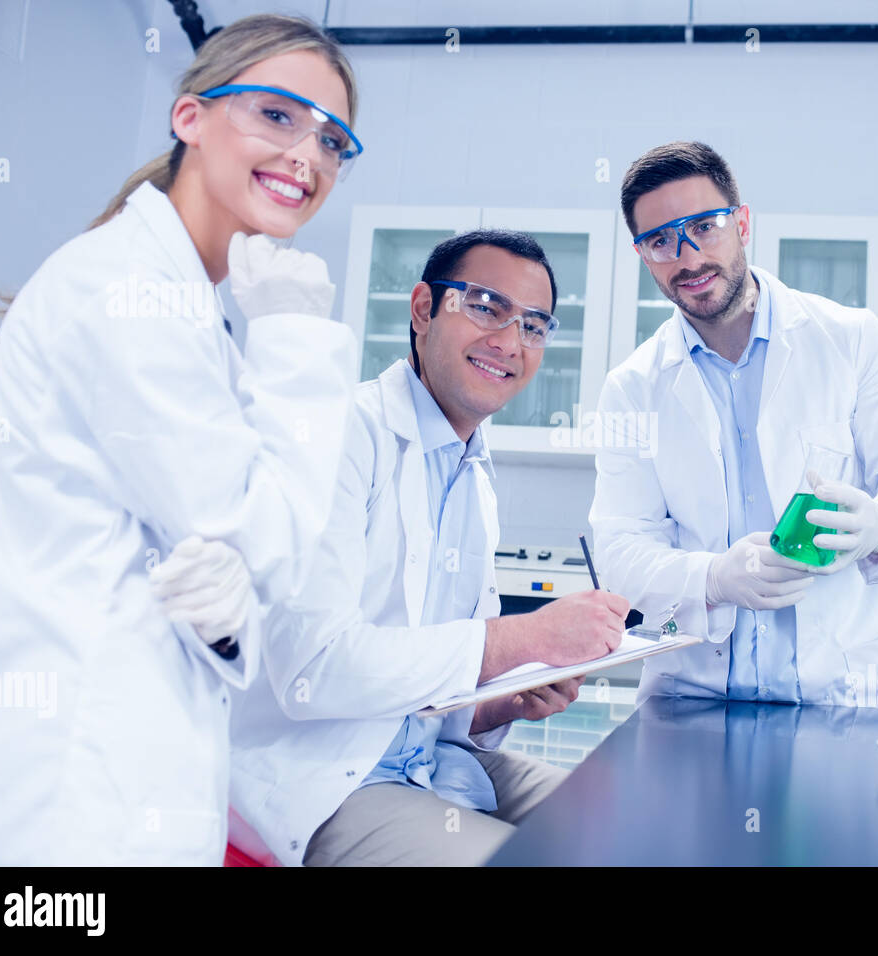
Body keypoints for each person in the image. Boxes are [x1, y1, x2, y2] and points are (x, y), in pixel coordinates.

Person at [0, 14, 363, 864]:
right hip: (69, 796)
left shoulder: (185, 304)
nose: (308, 156)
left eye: (333, 139)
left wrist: (232, 605)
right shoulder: (129, 294)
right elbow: (266, 543)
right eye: (279, 115)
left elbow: (227, 573)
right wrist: (296, 350)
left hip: (129, 773)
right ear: (190, 117)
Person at [227, 230, 631, 867]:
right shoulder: (343, 435)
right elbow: (316, 668)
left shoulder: (474, 472)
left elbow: (437, 687)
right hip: (332, 777)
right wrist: (525, 641)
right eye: (485, 307)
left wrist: (503, 697)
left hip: (440, 760)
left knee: (634, 832)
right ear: (422, 309)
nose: (509, 342)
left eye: (533, 325)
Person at [589, 141, 878, 705]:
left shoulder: (853, 340)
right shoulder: (632, 388)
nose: (687, 259)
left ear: (742, 223)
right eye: (660, 241)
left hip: (850, 694)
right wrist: (712, 578)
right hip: (696, 699)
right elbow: (620, 546)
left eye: (704, 227)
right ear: (643, 255)